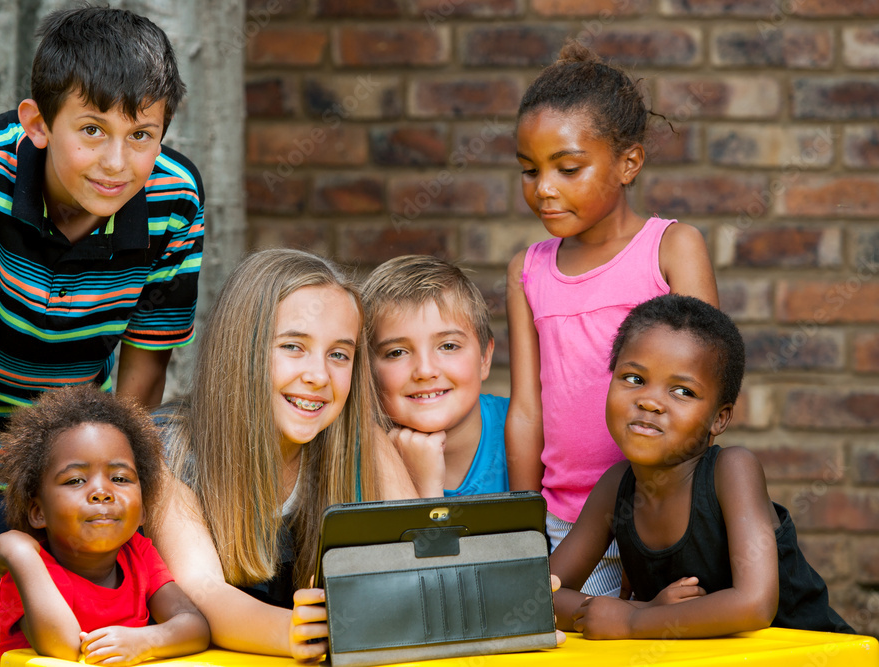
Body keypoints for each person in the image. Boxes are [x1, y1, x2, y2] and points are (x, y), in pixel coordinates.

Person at [0, 7, 203, 664]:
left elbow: (142, 376)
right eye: (92, 130)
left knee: (77, 637)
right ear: (38, 123)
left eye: (142, 134)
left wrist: (113, 496)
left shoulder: (175, 203)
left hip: (65, 453)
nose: (117, 162)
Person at [505, 40, 718, 598]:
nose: (544, 188)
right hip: (561, 524)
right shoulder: (528, 271)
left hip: (658, 520)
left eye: (568, 168)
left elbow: (704, 391)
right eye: (529, 169)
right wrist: (525, 528)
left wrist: (649, 522)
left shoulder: (671, 250)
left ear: (629, 162)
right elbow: (526, 410)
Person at [148, 249, 417, 663]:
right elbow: (201, 590)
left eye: (339, 354)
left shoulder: (359, 442)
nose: (319, 376)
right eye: (293, 346)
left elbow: (417, 557)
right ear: (241, 350)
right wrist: (292, 631)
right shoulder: (168, 449)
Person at [550, 294, 854, 638]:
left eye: (682, 391)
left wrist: (632, 622)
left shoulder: (732, 471)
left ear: (719, 419)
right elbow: (543, 594)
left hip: (810, 650)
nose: (649, 401)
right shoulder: (616, 486)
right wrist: (645, 610)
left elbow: (754, 604)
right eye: (634, 379)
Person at [0, 385, 210, 663]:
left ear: (143, 510)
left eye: (119, 478)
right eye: (75, 480)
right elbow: (65, 650)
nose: (101, 492)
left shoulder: (138, 553)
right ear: (38, 512)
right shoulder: (29, 568)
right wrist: (20, 553)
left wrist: (145, 642)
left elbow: (194, 626)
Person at [361, 255, 507, 498]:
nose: (425, 371)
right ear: (367, 371)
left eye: (448, 346)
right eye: (397, 352)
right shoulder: (355, 459)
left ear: (485, 358)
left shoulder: (532, 434)